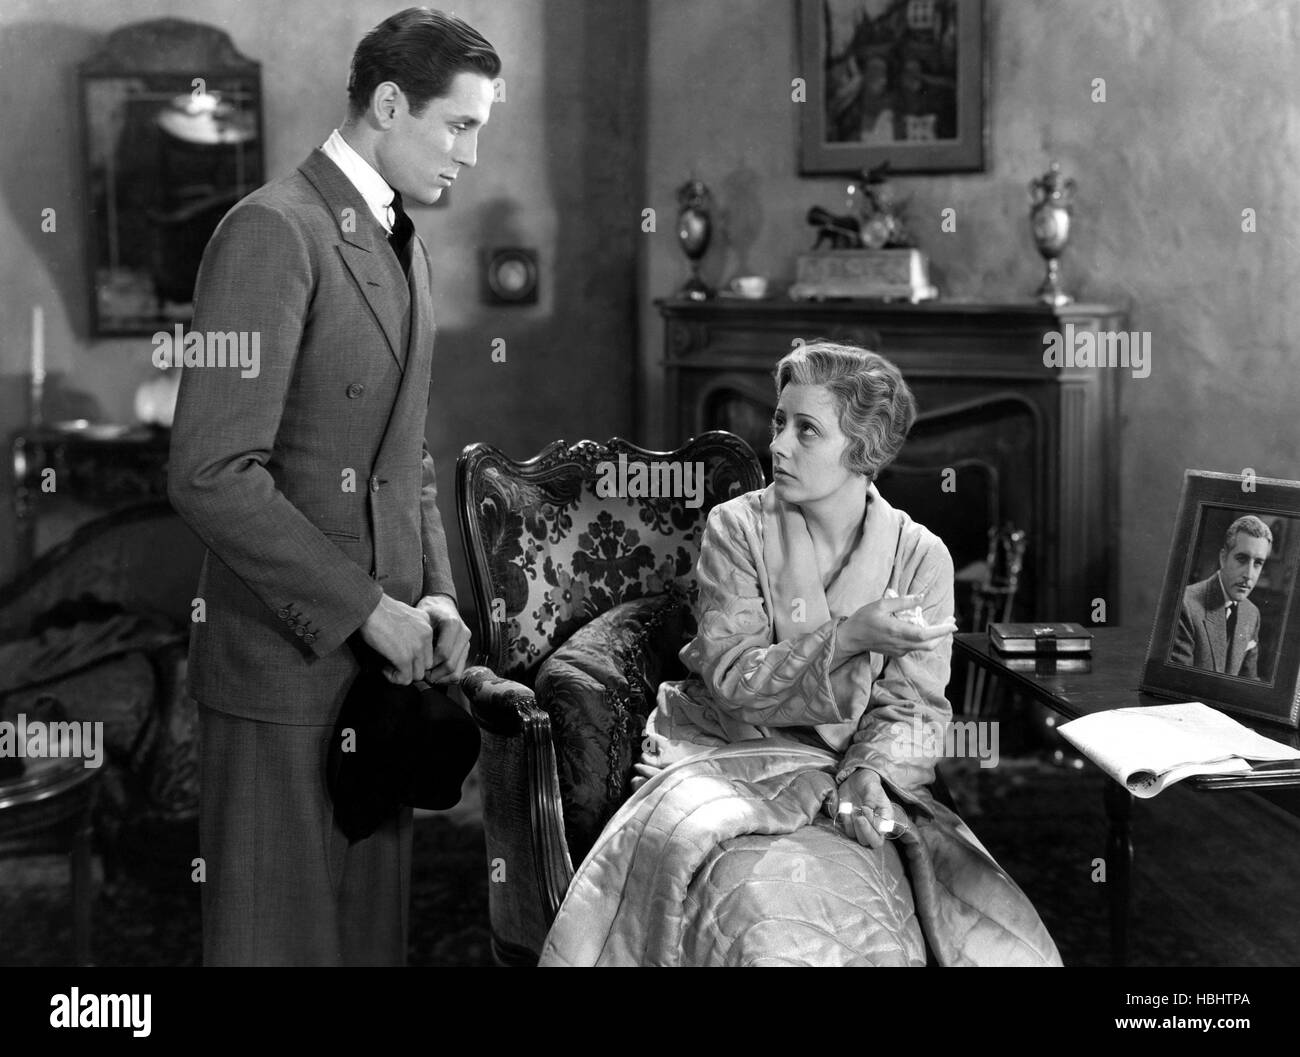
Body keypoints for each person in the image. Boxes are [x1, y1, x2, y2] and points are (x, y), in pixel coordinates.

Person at [540, 343, 1061, 966]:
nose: (778, 445)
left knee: (907, 932)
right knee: (759, 928)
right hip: (724, 757)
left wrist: (868, 775)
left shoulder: (922, 556)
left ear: (862, 448)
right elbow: (733, 677)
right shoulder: (736, 528)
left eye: (806, 429)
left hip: (848, 779)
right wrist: (849, 638)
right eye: (779, 422)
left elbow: (915, 710)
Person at [167, 8, 500, 966]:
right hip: (283, 671)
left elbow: (410, 452)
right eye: (460, 126)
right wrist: (367, 608)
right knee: (278, 945)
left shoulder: (404, 239)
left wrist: (433, 591)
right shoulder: (271, 231)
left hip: (381, 678)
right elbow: (209, 471)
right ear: (389, 104)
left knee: (362, 947)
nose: (471, 157)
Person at [1170, 515, 1272, 679]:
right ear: (1223, 558)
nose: (1249, 574)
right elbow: (1180, 683)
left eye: (1258, 563)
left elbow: (1249, 683)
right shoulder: (1185, 604)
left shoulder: (1252, 613)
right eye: (1241, 559)